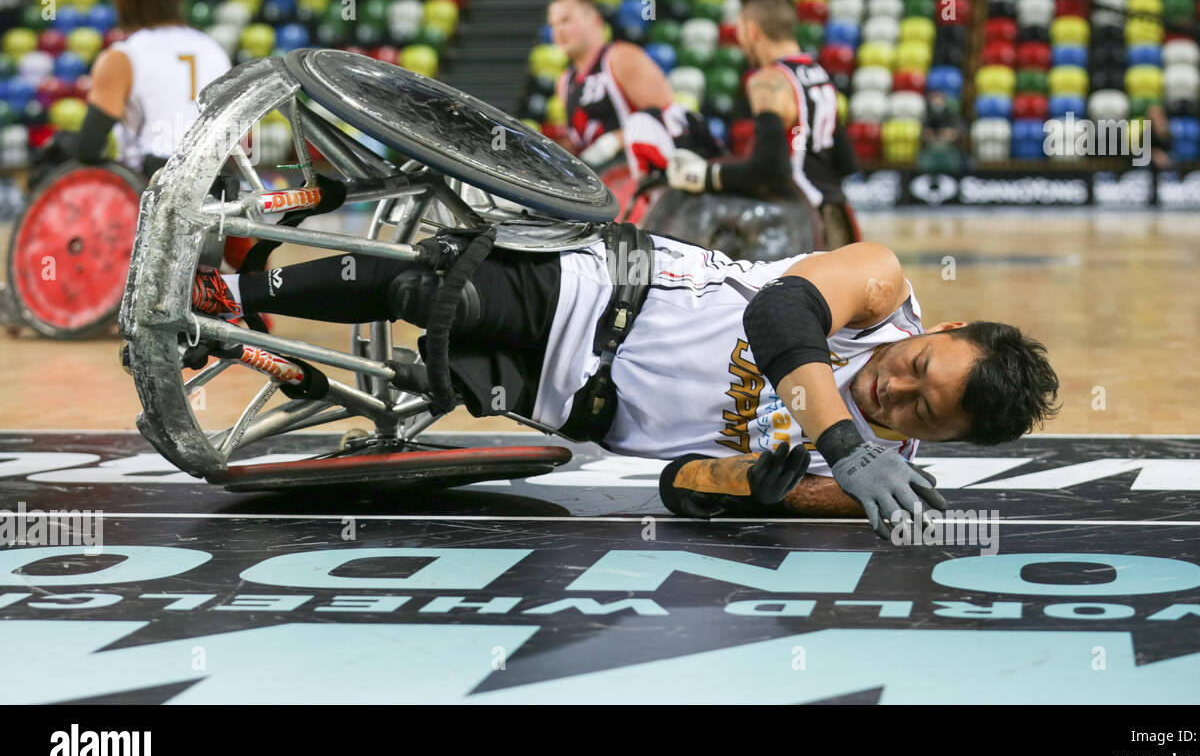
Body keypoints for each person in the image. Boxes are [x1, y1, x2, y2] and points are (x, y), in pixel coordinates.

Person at [190, 223, 1059, 541]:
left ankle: (224, 341)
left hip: (568, 403)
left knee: (399, 375)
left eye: (922, 416)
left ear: (943, 443)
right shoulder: (880, 283)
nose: (894, 397)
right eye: (916, 372)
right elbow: (779, 320)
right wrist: (840, 442)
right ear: (940, 331)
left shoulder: (864, 484)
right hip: (604, 289)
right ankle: (230, 293)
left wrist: (747, 488)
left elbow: (679, 487)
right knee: (436, 289)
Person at [665, 0, 862, 248]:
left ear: (753, 30)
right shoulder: (818, 74)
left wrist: (704, 175)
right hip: (840, 218)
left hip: (802, 223)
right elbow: (846, 161)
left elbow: (772, 168)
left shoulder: (767, 80)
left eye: (740, 30)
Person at [31, 0, 231, 187]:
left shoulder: (124, 56)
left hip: (153, 186)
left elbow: (89, 146)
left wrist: (62, 142)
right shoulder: (214, 49)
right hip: (214, 186)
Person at [547, 0, 719, 177]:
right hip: (596, 180)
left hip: (636, 175)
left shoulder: (621, 57)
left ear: (594, 20)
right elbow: (583, 139)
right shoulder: (564, 81)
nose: (558, 31)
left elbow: (668, 118)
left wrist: (614, 141)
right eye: (553, 25)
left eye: (565, 21)